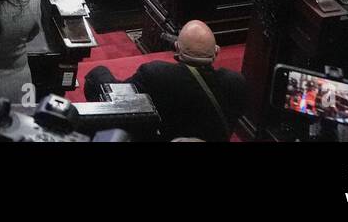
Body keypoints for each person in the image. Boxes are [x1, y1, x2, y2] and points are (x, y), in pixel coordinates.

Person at [83, 19, 246, 141]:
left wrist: (98, 74)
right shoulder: (237, 83)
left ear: (177, 48)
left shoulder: (157, 74)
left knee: (97, 76)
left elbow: (118, 96)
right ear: (216, 52)